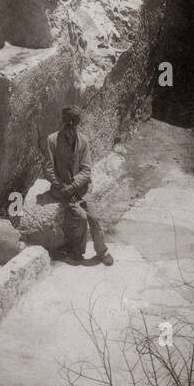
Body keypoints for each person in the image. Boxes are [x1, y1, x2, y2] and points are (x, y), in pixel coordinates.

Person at [44, 105, 114, 266]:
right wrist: (60, 185)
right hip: (62, 190)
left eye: (73, 122)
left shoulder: (83, 141)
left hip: (80, 189)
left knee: (94, 218)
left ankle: (102, 251)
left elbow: (86, 169)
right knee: (81, 217)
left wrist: (74, 185)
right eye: (67, 122)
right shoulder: (52, 140)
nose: (70, 125)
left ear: (77, 123)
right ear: (63, 121)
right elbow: (48, 168)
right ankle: (76, 252)